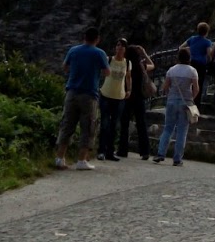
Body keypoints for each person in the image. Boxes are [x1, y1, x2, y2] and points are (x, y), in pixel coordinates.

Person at [55, 27, 110, 171]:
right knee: (88, 127)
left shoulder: (73, 50)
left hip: (72, 91)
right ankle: (81, 160)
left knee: (67, 124)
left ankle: (60, 158)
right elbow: (107, 72)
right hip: (89, 93)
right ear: (97, 39)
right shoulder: (99, 53)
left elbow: (65, 67)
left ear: (84, 37)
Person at [154, 49, 198, 165]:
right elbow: (196, 89)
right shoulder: (192, 71)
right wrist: (191, 99)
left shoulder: (172, 70)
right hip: (185, 103)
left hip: (172, 101)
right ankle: (177, 159)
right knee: (182, 131)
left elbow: (165, 87)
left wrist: (170, 96)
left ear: (178, 57)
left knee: (168, 128)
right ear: (189, 58)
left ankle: (160, 153)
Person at [118, 43, 156, 160]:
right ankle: (145, 151)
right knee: (141, 124)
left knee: (124, 124)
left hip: (127, 96)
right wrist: (144, 53)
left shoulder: (125, 65)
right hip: (139, 98)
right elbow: (152, 65)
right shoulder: (141, 66)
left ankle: (122, 150)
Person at [96, 39, 131, 162]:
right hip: (106, 94)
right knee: (105, 124)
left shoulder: (127, 63)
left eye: (122, 46)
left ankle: (110, 151)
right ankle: (101, 151)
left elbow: (128, 77)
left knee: (114, 125)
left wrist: (129, 90)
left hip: (119, 96)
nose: (120, 48)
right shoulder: (109, 59)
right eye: (118, 45)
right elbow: (101, 71)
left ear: (125, 49)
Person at [185, 22, 213, 110]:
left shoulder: (192, 39)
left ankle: (188, 103)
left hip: (192, 63)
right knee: (199, 84)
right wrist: (210, 61)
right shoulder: (207, 42)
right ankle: (196, 105)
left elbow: (181, 47)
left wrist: (191, 51)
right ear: (207, 32)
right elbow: (209, 55)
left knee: (190, 83)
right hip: (201, 65)